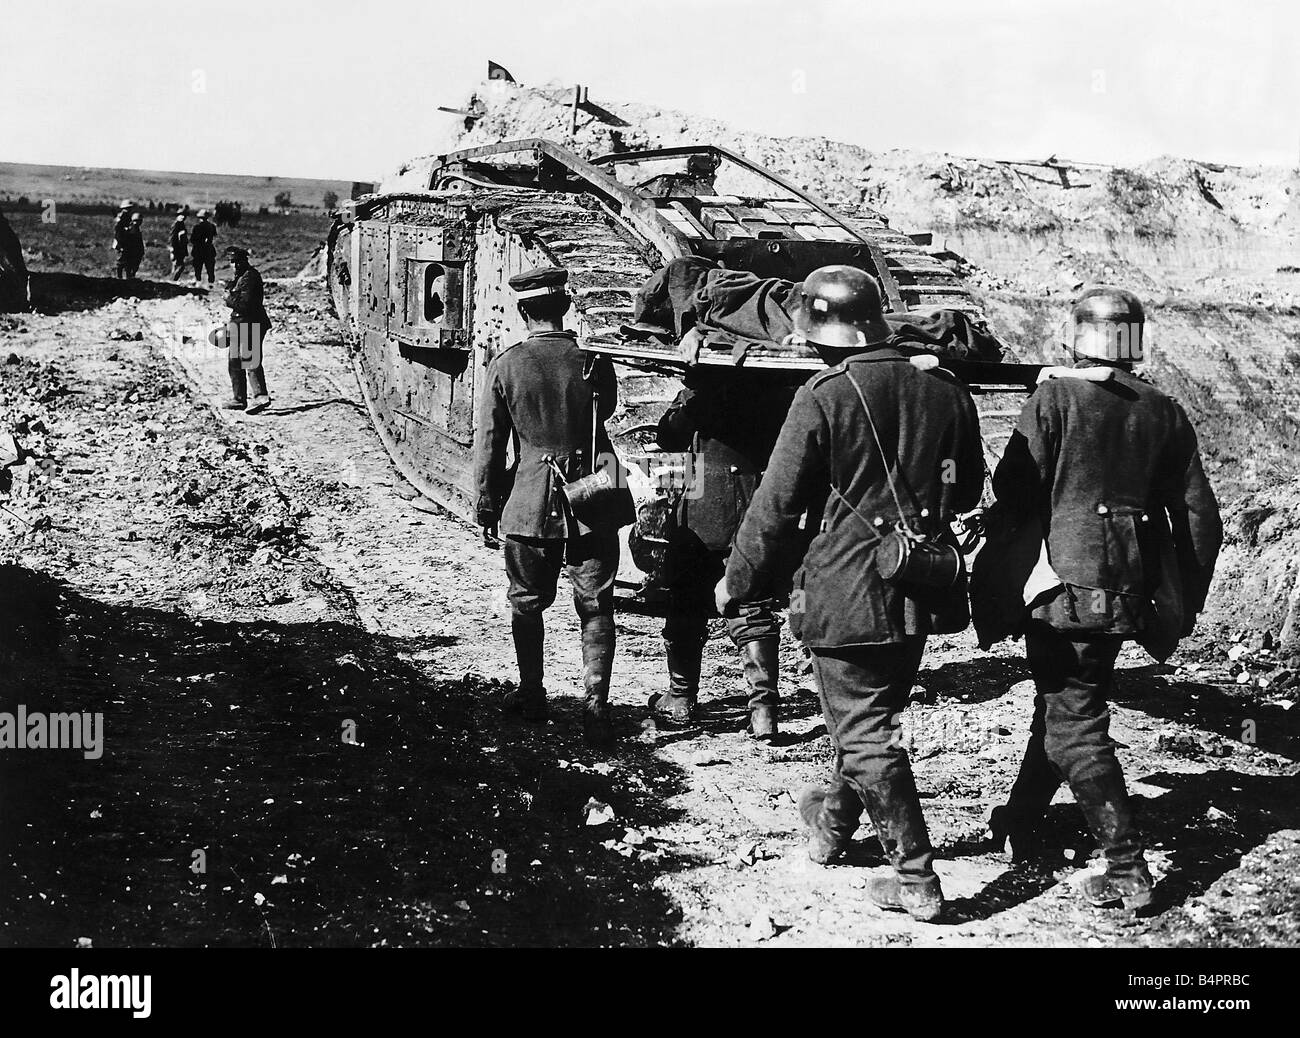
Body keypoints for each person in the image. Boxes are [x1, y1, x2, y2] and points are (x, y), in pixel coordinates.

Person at [717, 265, 984, 921]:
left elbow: (775, 507)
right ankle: (832, 831)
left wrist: (740, 579)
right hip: (917, 587)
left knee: (865, 734)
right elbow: (969, 487)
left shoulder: (824, 395)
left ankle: (916, 878)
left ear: (822, 331)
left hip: (845, 593)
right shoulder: (947, 390)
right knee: (867, 722)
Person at [985, 286, 1222, 909]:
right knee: (1068, 704)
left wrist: (998, 581)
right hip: (1128, 591)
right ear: (1134, 345)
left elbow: (1014, 495)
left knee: (1074, 723)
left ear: (1076, 336)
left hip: (1064, 591)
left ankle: (1126, 866)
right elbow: (1201, 516)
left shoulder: (1053, 398)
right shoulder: (1163, 408)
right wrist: (1183, 600)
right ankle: (1022, 818)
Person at [473, 266, 634, 748]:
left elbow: (489, 443)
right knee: (596, 602)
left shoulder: (506, 365)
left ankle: (533, 696)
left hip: (528, 502)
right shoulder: (594, 360)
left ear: (524, 311)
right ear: (565, 307)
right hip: (593, 496)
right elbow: (603, 417)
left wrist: (486, 506)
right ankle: (597, 705)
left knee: (526, 600)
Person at [649, 367, 799, 738]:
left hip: (700, 512)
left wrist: (690, 402)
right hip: (753, 509)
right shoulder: (779, 391)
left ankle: (681, 699)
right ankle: (763, 711)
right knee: (752, 606)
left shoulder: (700, 395)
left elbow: (667, 436)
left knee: (686, 605)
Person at [220, 246, 272, 414]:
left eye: (237, 261)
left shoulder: (250, 277)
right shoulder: (240, 277)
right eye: (231, 262)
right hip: (239, 324)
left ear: (244, 261)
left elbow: (245, 304)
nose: (234, 265)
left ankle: (261, 397)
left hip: (252, 323)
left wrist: (228, 298)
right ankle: (239, 399)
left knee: (250, 359)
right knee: (234, 361)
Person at [191, 209, 217, 286]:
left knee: (198, 267)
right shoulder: (212, 226)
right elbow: (214, 236)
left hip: (199, 250)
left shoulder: (197, 227)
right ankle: (211, 283)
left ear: (200, 218)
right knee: (210, 268)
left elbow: (192, 240)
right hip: (209, 249)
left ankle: (198, 281)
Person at [112, 201, 133, 279]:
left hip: (125, 241)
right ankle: (119, 277)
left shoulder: (126, 216)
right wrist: (121, 244)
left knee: (127, 260)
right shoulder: (122, 217)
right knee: (121, 260)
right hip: (121, 241)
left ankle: (126, 277)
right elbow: (118, 232)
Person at [120, 213, 145, 279]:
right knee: (131, 267)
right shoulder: (134, 229)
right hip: (134, 251)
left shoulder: (132, 228)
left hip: (132, 251)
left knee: (130, 267)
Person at [169, 211, 189, 281]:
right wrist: (172, 248)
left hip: (181, 248)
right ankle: (173, 280)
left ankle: (172, 281)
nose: (183, 217)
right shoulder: (176, 224)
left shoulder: (181, 224)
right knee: (180, 266)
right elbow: (172, 237)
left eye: (184, 215)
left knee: (175, 266)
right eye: (181, 215)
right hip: (176, 248)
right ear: (177, 216)